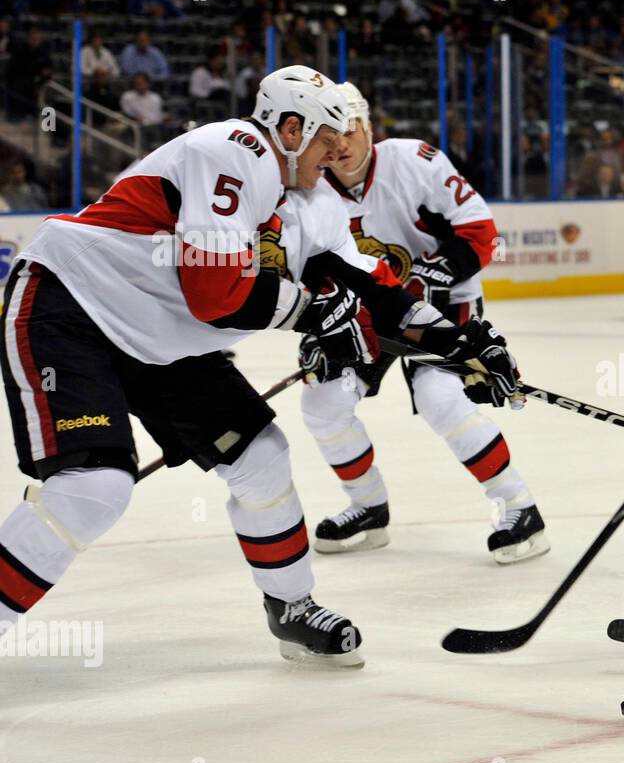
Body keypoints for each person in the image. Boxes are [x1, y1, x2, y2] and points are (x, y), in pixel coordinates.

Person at [0, 66, 517, 666]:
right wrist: (313, 311)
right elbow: (216, 294)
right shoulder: (233, 150)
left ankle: (291, 607)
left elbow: (378, 290)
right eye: (327, 140)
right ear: (291, 128)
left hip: (162, 342)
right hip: (72, 307)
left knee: (260, 455)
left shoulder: (316, 200)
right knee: (94, 486)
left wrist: (459, 342)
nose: (336, 154)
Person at [303, 82, 547, 563]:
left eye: (351, 129)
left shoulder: (415, 160)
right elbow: (304, 266)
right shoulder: (307, 187)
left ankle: (520, 509)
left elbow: (479, 230)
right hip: (364, 314)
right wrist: (315, 322)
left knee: (441, 398)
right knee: (323, 404)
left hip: (440, 304)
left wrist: (440, 267)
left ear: (369, 125)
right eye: (330, 135)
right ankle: (368, 508)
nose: (342, 144)